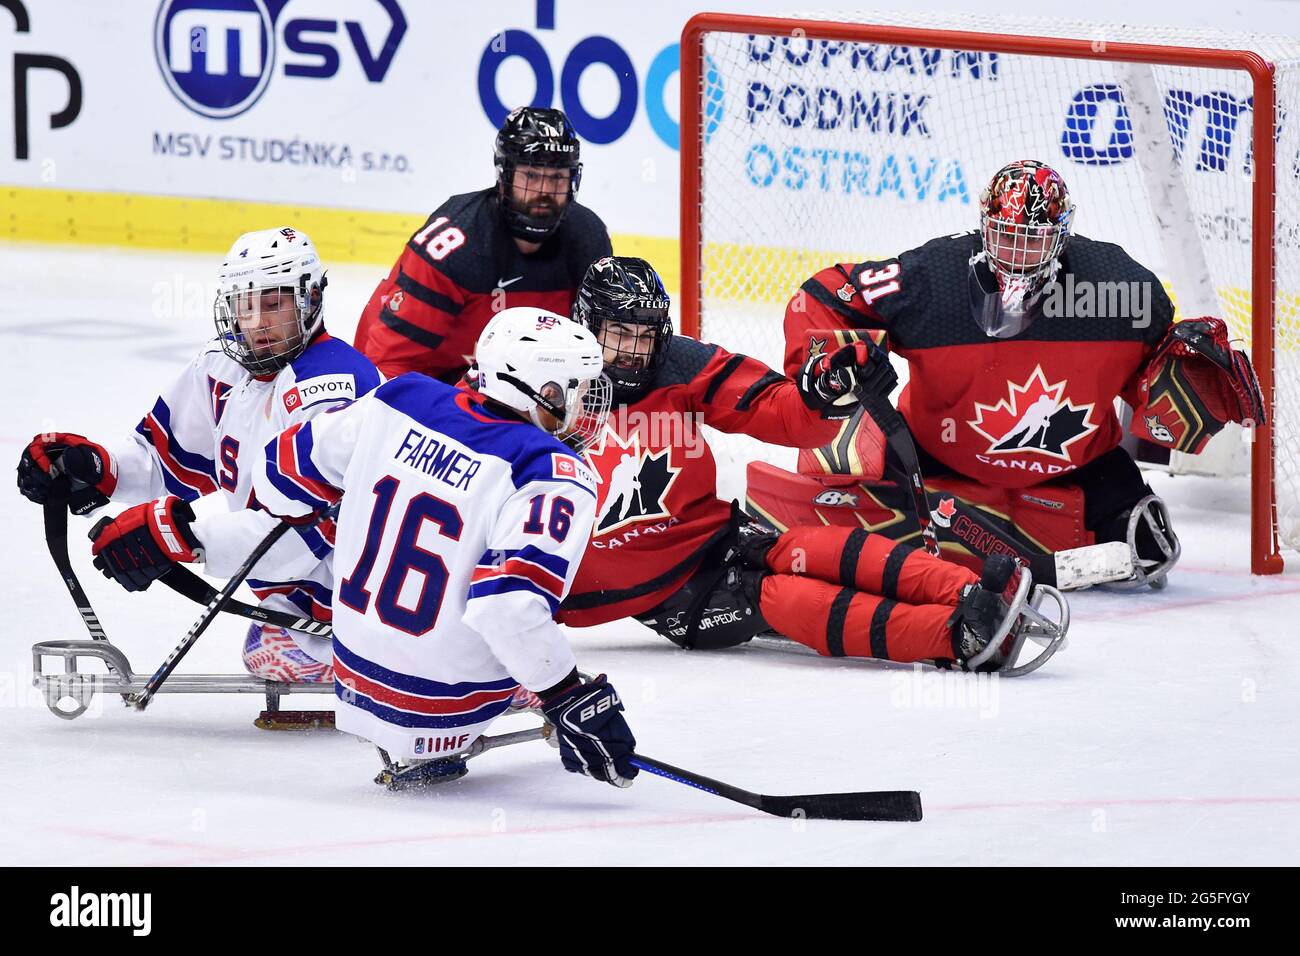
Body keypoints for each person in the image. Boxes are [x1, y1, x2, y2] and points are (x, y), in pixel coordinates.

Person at [769, 159, 1264, 589]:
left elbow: (1148, 382)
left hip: (1077, 466)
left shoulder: (1122, 289)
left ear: (1061, 236)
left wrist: (1189, 386)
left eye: (1031, 241)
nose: (1015, 254)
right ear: (984, 228)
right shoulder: (934, 277)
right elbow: (822, 296)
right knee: (836, 487)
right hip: (933, 458)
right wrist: (831, 361)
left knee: (1149, 553)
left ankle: (967, 529)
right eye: (1005, 236)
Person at [556, 256, 1065, 673]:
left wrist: (823, 391)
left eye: (645, 335)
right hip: (670, 597)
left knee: (809, 543)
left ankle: (968, 589)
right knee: (781, 597)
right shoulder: (546, 393)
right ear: (583, 326)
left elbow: (775, 410)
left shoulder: (677, 364)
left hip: (713, 537)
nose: (633, 353)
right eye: (617, 333)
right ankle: (957, 635)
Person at [253, 307, 639, 787]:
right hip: (446, 704)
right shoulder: (554, 470)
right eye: (578, 389)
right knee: (519, 594)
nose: (587, 407)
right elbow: (508, 609)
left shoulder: (401, 396)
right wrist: (563, 694)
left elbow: (275, 477)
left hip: (350, 677)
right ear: (547, 393)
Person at [16, 227, 381, 684]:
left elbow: (308, 532)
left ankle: (401, 664)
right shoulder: (222, 368)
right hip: (300, 588)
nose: (259, 323)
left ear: (308, 300)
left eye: (274, 304)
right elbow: (164, 458)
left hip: (367, 598)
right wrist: (97, 469)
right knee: (269, 644)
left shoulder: (330, 389)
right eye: (245, 306)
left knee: (270, 649)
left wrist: (184, 537)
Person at [353, 107, 612, 382]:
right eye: (532, 176)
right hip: (429, 379)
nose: (544, 192)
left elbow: (593, 354)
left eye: (557, 178)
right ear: (505, 175)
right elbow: (388, 371)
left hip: (510, 387)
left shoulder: (588, 239)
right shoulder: (453, 247)